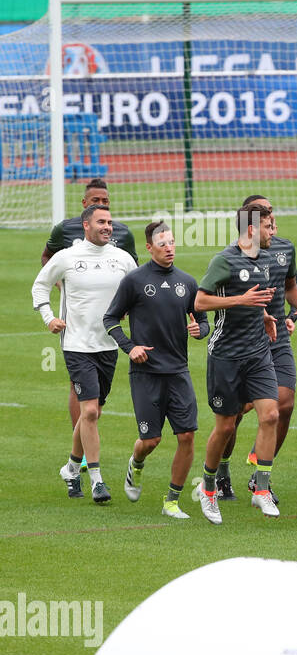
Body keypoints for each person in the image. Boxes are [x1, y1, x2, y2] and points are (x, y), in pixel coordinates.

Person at [102, 221, 210, 519]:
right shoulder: (134, 281)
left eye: (172, 242)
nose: (169, 248)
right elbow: (110, 319)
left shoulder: (187, 282)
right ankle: (135, 464)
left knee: (187, 436)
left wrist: (199, 329)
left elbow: (203, 321)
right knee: (151, 440)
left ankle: (172, 501)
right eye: (162, 244)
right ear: (149, 247)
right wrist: (130, 347)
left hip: (178, 372)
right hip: (146, 373)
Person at [32, 205, 136, 504]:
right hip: (76, 344)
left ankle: (70, 467)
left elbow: (139, 289)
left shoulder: (122, 258)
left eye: (110, 222)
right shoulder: (67, 257)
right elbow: (40, 285)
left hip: (108, 344)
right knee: (89, 411)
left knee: (95, 412)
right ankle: (97, 481)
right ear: (86, 225)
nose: (107, 227)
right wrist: (49, 318)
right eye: (101, 222)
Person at [218, 193, 297, 503]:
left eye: (271, 210)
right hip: (243, 341)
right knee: (232, 416)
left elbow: (289, 286)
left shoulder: (283, 249)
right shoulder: (233, 257)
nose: (271, 217)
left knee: (282, 405)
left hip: (276, 340)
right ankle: (221, 468)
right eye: (264, 213)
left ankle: (261, 476)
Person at [194, 202, 281, 523]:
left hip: (258, 352)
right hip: (226, 355)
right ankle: (208, 487)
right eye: (269, 225)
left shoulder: (267, 260)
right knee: (226, 425)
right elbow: (200, 301)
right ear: (250, 230)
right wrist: (240, 300)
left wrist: (264, 314)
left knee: (270, 414)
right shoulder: (225, 260)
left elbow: (253, 297)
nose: (274, 231)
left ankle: (261, 489)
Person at [40, 179, 139, 440]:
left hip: (109, 326)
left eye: (105, 201)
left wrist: (126, 302)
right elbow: (47, 258)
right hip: (76, 323)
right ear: (84, 204)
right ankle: (83, 454)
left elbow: (135, 274)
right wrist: (64, 287)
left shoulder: (123, 234)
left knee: (96, 400)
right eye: (95, 201)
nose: (101, 205)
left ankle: (81, 445)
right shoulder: (65, 230)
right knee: (80, 387)